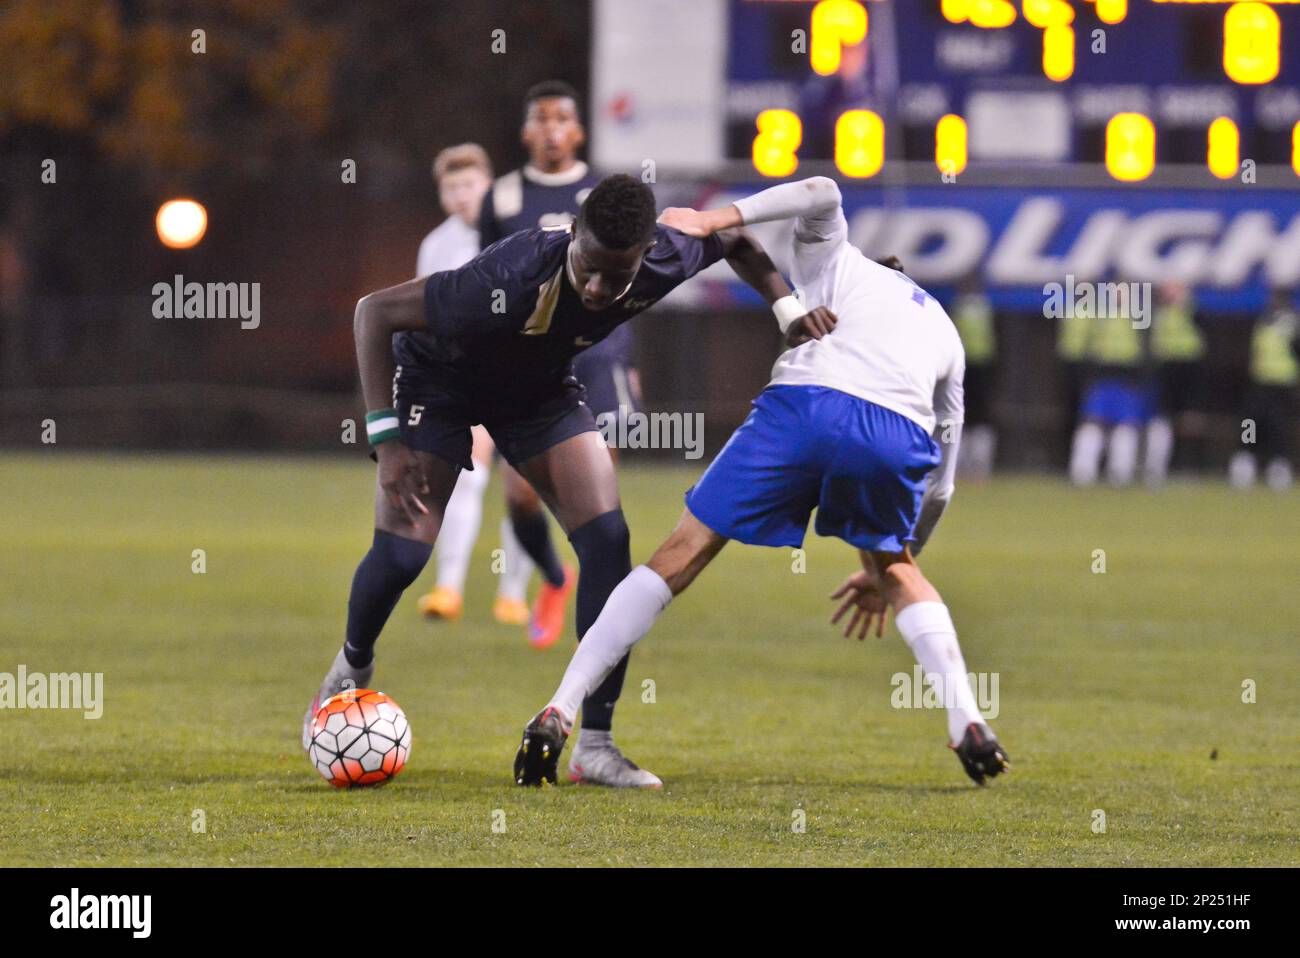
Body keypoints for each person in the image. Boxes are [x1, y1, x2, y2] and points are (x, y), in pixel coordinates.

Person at [303, 173, 818, 788]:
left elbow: (732, 239)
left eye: (617, 275)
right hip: (438, 382)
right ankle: (350, 667)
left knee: (608, 543)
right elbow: (375, 311)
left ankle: (594, 745)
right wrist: (386, 441)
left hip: (537, 392)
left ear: (643, 251)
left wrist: (788, 309)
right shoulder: (508, 276)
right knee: (402, 552)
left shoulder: (661, 252)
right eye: (589, 268)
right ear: (573, 234)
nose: (600, 287)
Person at [513, 177, 1009, 789]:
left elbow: (822, 187)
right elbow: (942, 487)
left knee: (682, 552)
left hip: (803, 407)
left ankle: (561, 706)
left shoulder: (840, 261)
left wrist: (712, 217)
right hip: (894, 428)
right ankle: (967, 719)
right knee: (900, 567)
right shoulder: (947, 335)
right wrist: (894, 564)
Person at [415, 81, 641, 651]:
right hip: (530, 365)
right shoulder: (504, 197)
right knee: (520, 497)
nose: (550, 130)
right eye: (539, 120)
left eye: (560, 118)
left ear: (578, 129)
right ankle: (556, 579)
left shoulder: (604, 191)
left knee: (599, 504)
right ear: (525, 133)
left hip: (599, 356)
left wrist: (629, 359)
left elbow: (630, 276)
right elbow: (492, 277)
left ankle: (602, 627)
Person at [410, 144, 537, 626]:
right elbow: (424, 311)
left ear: (489, 186)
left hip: (527, 371)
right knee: (467, 477)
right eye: (452, 187)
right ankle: (449, 588)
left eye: (470, 184)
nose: (462, 195)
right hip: (467, 374)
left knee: (524, 486)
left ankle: (513, 593)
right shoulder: (436, 244)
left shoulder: (516, 233)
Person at [1229, 289, 1298, 492]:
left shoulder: (1292, 324)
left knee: (1280, 426)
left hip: (1283, 383)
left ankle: (1279, 467)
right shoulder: (1262, 322)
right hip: (1260, 382)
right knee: (1250, 423)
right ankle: (1244, 460)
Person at [1146, 281, 1206, 485]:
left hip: (1190, 368)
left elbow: (1204, 334)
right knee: (1162, 418)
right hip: (1166, 369)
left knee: (1191, 420)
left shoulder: (1193, 310)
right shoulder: (1157, 312)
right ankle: (1156, 468)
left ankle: (1190, 467)